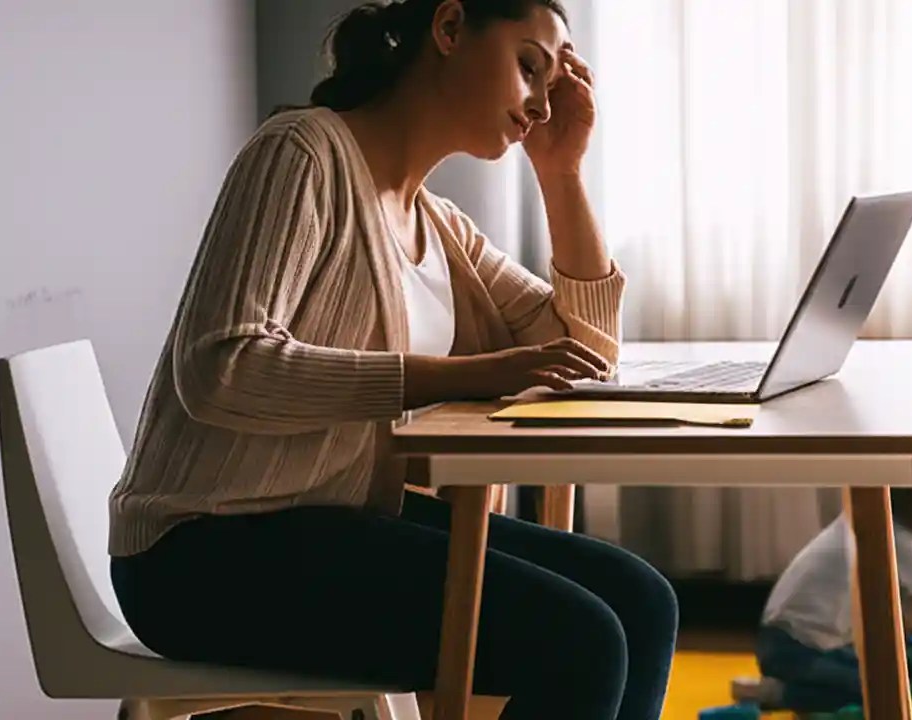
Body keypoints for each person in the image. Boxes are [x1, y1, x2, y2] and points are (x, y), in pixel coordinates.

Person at [106, 2, 678, 719]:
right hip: (203, 552)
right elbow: (222, 368)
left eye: (553, 79)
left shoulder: (437, 223)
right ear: (447, 30)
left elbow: (587, 356)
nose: (540, 100)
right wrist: (464, 375)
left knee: (643, 601)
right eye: (529, 66)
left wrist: (561, 172)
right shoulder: (300, 153)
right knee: (580, 640)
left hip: (333, 516)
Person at [738, 432, 912, 713]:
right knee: (890, 692)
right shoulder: (897, 540)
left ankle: (808, 683)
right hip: (795, 649)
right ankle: (779, 693)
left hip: (822, 642)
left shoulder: (882, 525)